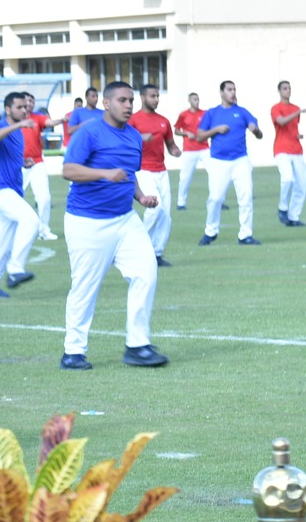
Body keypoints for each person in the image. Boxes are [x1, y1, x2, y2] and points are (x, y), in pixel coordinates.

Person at [60, 82, 167, 370]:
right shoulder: (89, 132)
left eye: (131, 100)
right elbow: (68, 170)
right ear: (106, 103)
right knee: (85, 287)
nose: (129, 105)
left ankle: (137, 345)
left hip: (125, 219)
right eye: (122, 100)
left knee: (146, 272)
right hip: (87, 222)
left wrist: (141, 196)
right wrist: (103, 173)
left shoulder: (133, 136)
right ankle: (73, 352)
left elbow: (128, 175)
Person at [0, 93, 42, 299]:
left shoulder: (19, 132)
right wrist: (18, 125)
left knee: (4, 244)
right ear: (8, 110)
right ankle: (15, 270)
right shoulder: (1, 127)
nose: (25, 110)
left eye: (26, 107)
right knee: (31, 219)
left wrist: (23, 163)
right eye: (20, 107)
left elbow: (8, 156)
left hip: (12, 191)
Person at [195, 81, 262, 246]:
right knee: (215, 198)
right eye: (229, 90)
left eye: (234, 90)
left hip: (240, 161)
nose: (233, 93)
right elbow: (199, 136)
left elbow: (259, 134)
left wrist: (256, 130)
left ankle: (245, 235)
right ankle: (210, 231)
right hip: (218, 162)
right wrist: (215, 130)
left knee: (245, 197)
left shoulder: (242, 112)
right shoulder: (212, 113)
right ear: (221, 92)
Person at [129, 84, 180, 265]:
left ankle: (156, 254)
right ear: (143, 98)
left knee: (166, 213)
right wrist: (140, 137)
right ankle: (138, 248)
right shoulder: (133, 120)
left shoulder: (164, 121)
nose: (156, 99)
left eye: (157, 96)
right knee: (154, 210)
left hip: (161, 171)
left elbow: (170, 144)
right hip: (143, 170)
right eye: (152, 96)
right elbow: (123, 139)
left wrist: (175, 151)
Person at [270, 81, 306, 226]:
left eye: (289, 88)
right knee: (287, 178)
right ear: (279, 91)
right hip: (281, 149)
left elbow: (293, 128)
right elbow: (281, 122)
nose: (288, 91)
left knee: (301, 184)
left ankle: (294, 217)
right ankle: (282, 207)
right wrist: (297, 113)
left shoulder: (295, 108)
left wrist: (298, 135)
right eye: (285, 89)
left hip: (296, 149)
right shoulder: (276, 108)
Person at [22, 96, 61, 241]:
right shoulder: (13, 121)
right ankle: (8, 231)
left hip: (37, 163)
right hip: (18, 166)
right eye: (27, 101)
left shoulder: (37, 118)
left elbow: (49, 122)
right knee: (12, 199)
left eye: (32, 101)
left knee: (44, 198)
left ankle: (44, 231)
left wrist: (61, 120)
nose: (29, 104)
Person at [173, 93, 206, 211]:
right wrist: (186, 133)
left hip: (205, 148)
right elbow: (176, 130)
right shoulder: (183, 115)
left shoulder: (204, 114)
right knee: (185, 177)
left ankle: (219, 200)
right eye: (194, 99)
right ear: (189, 100)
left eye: (198, 99)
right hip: (189, 149)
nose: (197, 101)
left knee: (215, 174)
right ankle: (181, 202)